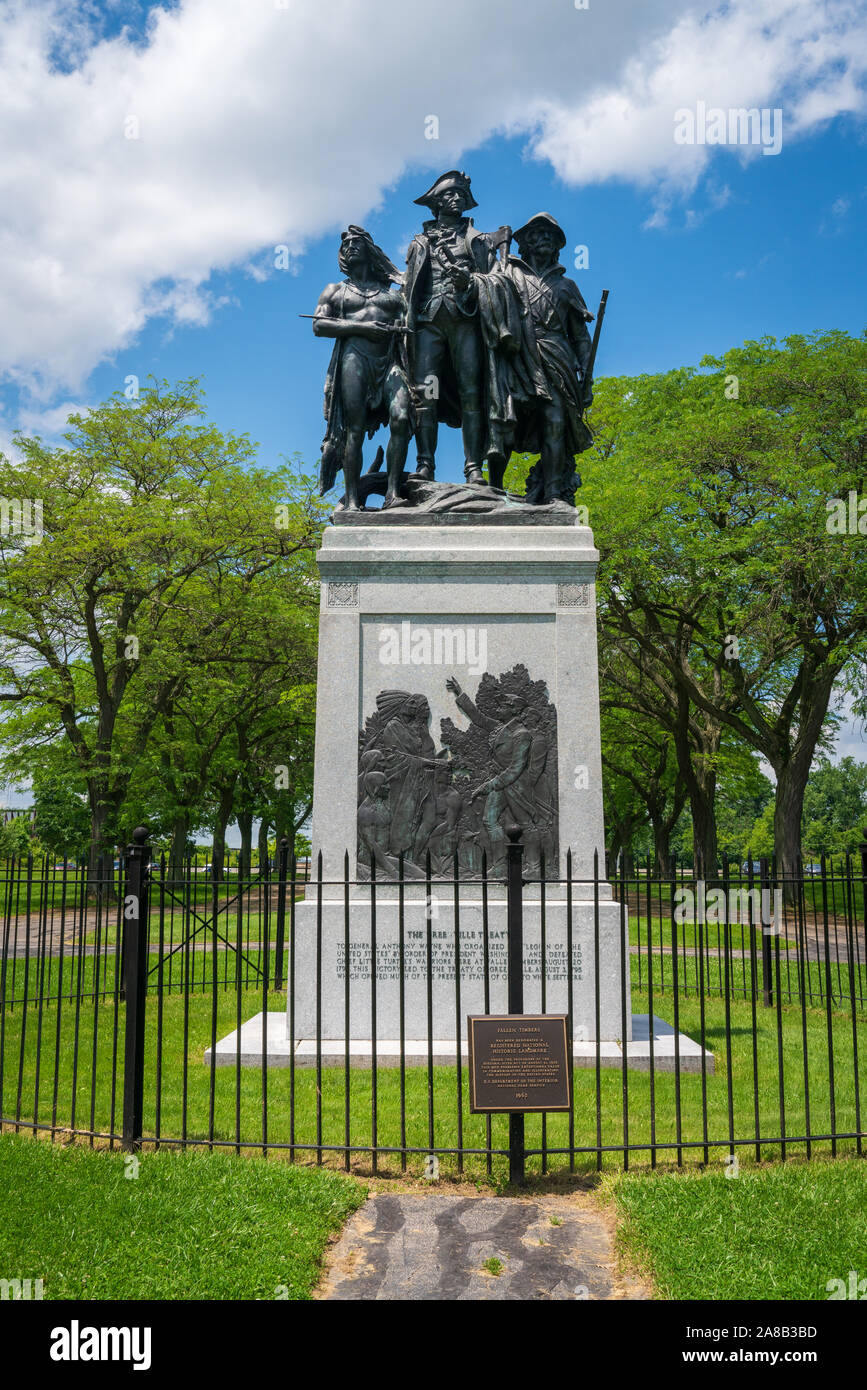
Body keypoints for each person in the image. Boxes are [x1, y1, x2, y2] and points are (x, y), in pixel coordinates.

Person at [404, 171, 509, 485]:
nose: (457, 200)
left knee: (471, 393)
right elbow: (408, 287)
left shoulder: (478, 241)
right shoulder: (420, 242)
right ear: (437, 202)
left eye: (461, 196)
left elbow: (498, 279)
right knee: (425, 394)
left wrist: (473, 283)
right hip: (428, 323)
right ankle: (425, 465)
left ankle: (473, 467)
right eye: (450, 195)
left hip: (465, 320)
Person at [313, 226, 413, 509]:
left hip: (390, 363)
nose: (350, 247)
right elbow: (319, 325)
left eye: (357, 243)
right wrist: (362, 327)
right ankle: (354, 499)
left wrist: (398, 328)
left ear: (370, 250)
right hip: (354, 359)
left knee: (402, 417)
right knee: (353, 429)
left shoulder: (395, 295)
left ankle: (393, 493)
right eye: (346, 245)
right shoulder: (335, 290)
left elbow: (412, 328)